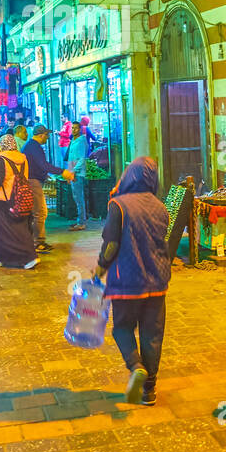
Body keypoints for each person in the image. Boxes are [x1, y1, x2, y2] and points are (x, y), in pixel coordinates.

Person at [94, 157, 172, 406]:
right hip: (157, 282)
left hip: (127, 281)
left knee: (122, 328)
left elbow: (111, 244)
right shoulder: (161, 206)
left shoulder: (119, 205)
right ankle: (149, 390)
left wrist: (100, 268)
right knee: (152, 334)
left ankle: (135, 365)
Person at [0, 134, 38, 269]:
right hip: (19, 197)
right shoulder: (23, 158)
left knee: (1, 229)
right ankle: (22, 257)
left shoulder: (1, 158)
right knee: (20, 228)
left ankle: (6, 258)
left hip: (2, 198)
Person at [21, 125, 72, 255]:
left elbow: (38, 165)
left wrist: (45, 175)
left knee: (38, 212)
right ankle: (38, 242)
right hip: (33, 182)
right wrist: (62, 172)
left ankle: (37, 241)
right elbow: (43, 164)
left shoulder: (31, 146)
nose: (48, 137)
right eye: (47, 135)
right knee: (40, 212)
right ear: (41, 135)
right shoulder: (34, 147)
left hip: (33, 180)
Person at [66, 120, 90, 230]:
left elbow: (81, 159)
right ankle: (80, 220)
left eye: (76, 128)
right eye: (72, 128)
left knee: (79, 198)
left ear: (80, 129)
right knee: (76, 197)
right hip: (72, 173)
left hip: (77, 173)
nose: (74, 130)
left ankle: (81, 222)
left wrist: (74, 171)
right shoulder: (73, 140)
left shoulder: (81, 141)